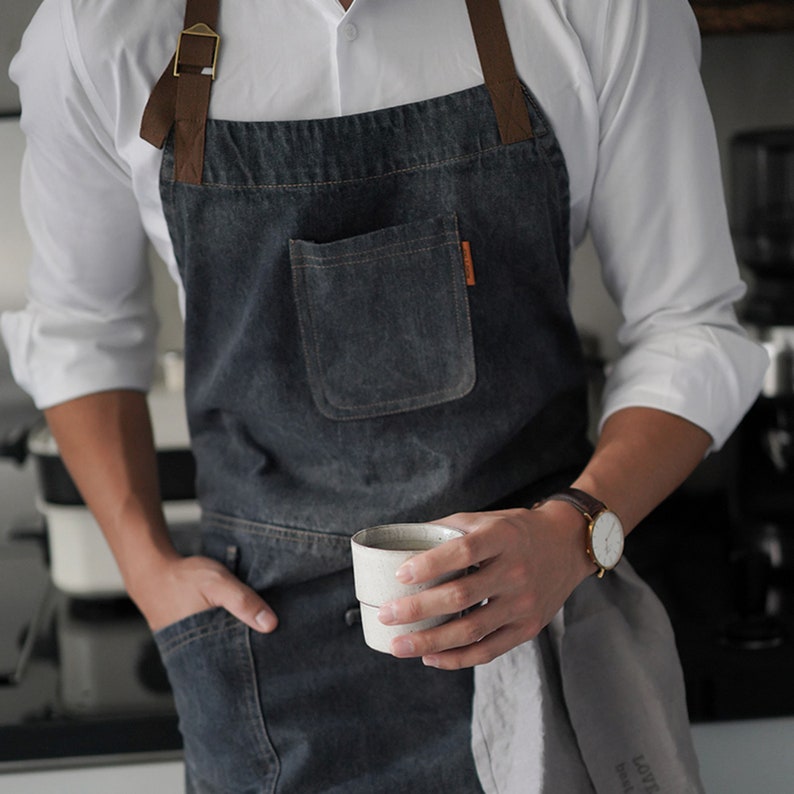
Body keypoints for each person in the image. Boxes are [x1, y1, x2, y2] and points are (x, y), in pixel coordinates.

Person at [2, 0, 768, 792]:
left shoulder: (597, 10)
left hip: (542, 624)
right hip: (266, 667)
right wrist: (148, 571)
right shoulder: (99, 32)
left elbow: (689, 325)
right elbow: (81, 333)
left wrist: (577, 534)